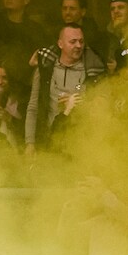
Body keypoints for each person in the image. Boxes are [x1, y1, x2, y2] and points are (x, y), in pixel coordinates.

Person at [25, 24, 105, 156]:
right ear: (60, 44)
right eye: (73, 42)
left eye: (81, 41)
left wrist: (78, 104)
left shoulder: (92, 71)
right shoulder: (45, 68)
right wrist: (30, 143)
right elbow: (33, 107)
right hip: (48, 141)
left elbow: (101, 107)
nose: (78, 45)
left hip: (80, 145)